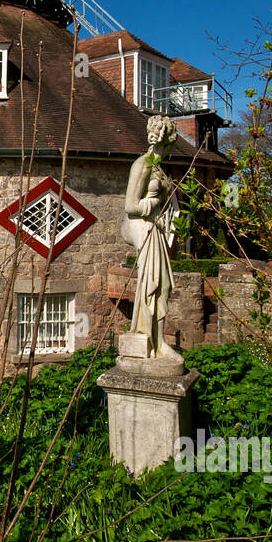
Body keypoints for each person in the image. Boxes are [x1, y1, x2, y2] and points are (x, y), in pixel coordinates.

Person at [121, 116, 180, 362]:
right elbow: (130, 205)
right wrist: (154, 202)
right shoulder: (143, 164)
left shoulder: (157, 167)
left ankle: (157, 341)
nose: (170, 151)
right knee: (152, 283)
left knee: (162, 285)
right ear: (163, 144)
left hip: (153, 227)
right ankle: (151, 340)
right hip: (142, 227)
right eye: (169, 147)